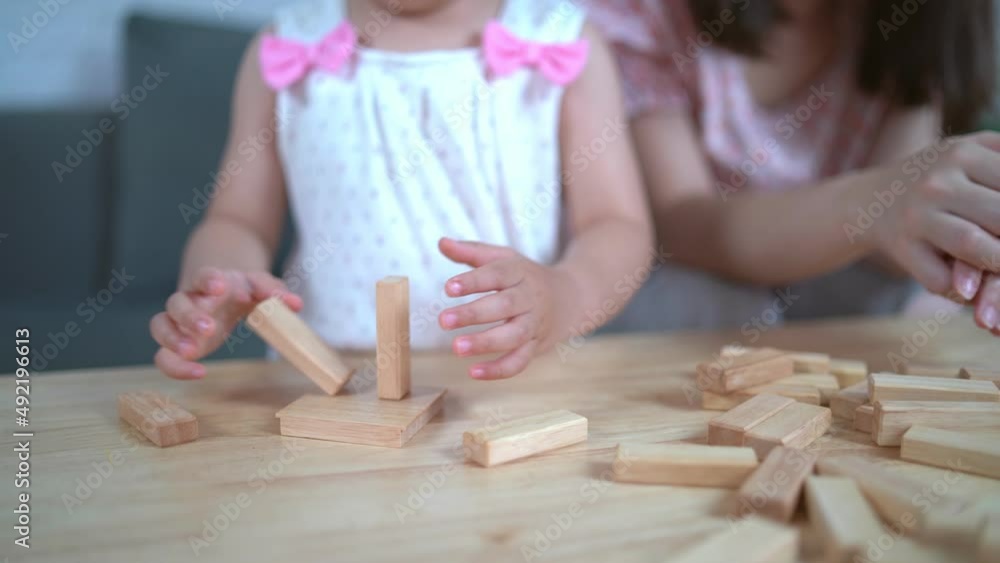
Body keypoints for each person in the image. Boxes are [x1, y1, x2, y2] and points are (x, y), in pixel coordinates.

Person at [149, 0, 653, 381]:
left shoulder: (559, 42)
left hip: (516, 380)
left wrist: (564, 297)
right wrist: (215, 288)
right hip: (327, 389)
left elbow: (616, 225)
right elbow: (237, 220)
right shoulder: (286, 48)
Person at [588, 0, 1000, 337]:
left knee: (911, 306)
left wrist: (964, 236)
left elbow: (896, 249)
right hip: (697, 282)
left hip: (835, 288)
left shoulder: (917, 26)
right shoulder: (647, 15)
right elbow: (683, 224)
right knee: (699, 302)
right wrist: (882, 200)